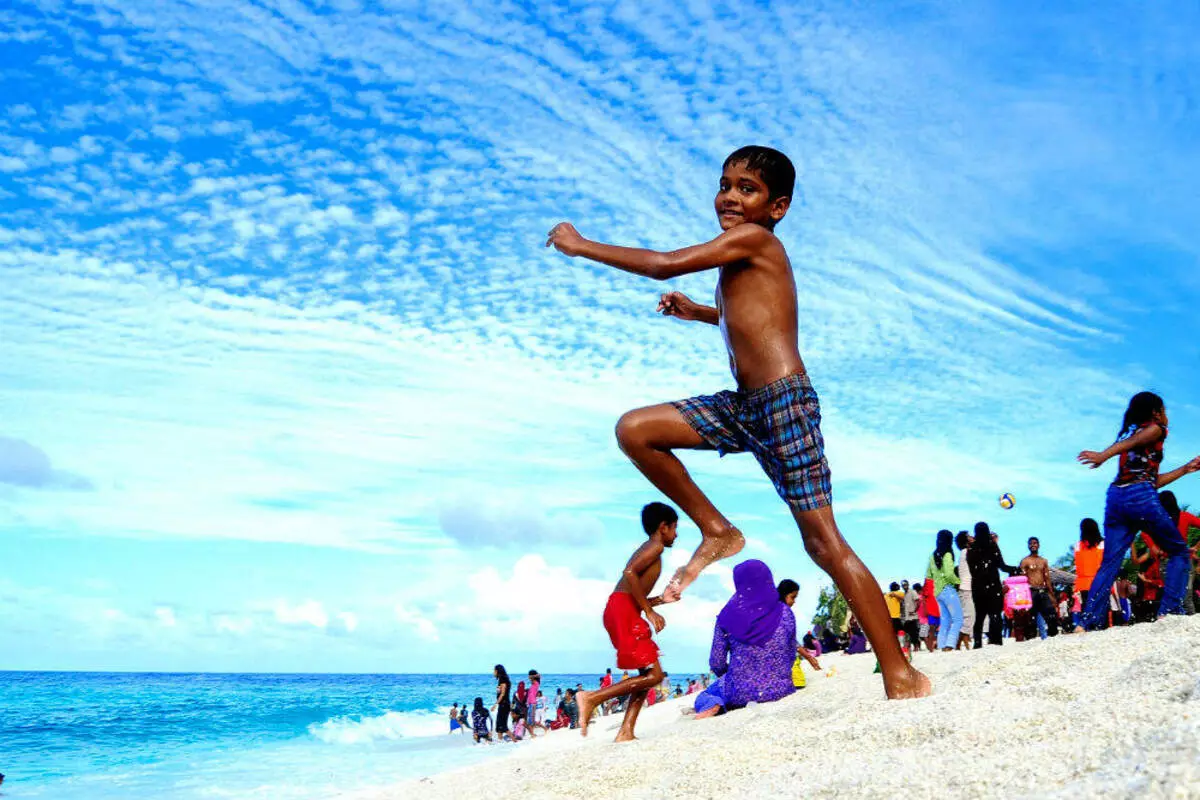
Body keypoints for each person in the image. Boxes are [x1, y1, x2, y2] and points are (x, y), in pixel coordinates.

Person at [546, 146, 929, 700]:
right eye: (725, 184)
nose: (729, 195)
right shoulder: (737, 256)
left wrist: (581, 246)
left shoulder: (757, 239)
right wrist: (699, 313)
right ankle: (716, 529)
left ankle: (900, 673)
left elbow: (663, 262)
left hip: (783, 405)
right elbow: (750, 318)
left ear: (778, 207)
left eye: (746, 188)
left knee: (822, 542)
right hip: (742, 407)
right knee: (635, 429)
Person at [1077, 392, 1200, 628]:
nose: (1166, 416)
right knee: (1179, 552)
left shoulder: (1137, 436)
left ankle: (1087, 622)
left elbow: (1152, 480)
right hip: (1139, 497)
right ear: (1155, 412)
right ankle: (1169, 610)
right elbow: (1142, 479)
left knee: (1109, 564)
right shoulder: (1155, 429)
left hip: (1116, 498)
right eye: (1164, 410)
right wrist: (1103, 455)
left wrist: (1185, 469)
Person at [574, 502, 676, 742]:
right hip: (623, 611)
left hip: (621, 609)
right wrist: (650, 613)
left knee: (646, 673)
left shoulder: (650, 547)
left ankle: (626, 731)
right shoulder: (656, 546)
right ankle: (592, 698)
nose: (676, 534)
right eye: (674, 528)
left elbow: (632, 595)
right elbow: (629, 573)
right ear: (663, 527)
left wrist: (661, 599)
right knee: (654, 676)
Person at [709, 560, 798, 708]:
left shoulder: (727, 616)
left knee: (707, 694)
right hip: (782, 690)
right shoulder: (786, 612)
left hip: (740, 694)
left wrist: (738, 675)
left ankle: (714, 706)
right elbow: (790, 654)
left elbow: (716, 663)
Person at [968, 522, 1019, 647]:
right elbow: (1002, 566)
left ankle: (978, 643)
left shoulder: (972, 549)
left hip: (978, 587)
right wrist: (1014, 569)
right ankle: (996, 641)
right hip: (993, 585)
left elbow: (972, 570)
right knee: (995, 614)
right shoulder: (992, 546)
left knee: (979, 616)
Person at [1159, 491, 1200, 615]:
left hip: (1168, 561)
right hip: (1183, 560)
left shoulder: (1159, 520)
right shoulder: (1184, 516)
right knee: (1186, 596)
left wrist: (1156, 549)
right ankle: (1190, 627)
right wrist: (1196, 547)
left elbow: (1146, 533)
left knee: (1172, 597)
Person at [926, 530, 962, 651]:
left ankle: (942, 645)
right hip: (948, 589)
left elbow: (929, 575)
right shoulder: (947, 554)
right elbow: (949, 574)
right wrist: (959, 581)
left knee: (945, 620)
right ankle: (950, 645)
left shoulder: (932, 555)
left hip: (938, 592)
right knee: (958, 619)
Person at [1020, 537, 1059, 639]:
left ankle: (1053, 637)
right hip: (1031, 591)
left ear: (1038, 545)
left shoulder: (1043, 561)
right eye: (1031, 543)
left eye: (1035, 543)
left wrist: (1052, 595)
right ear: (1028, 546)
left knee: (1051, 614)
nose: (1033, 545)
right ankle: (1030, 639)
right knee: (1030, 618)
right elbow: (1022, 579)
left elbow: (1047, 578)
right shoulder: (1025, 561)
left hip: (1043, 591)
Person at [1073, 518, 1104, 627]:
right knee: (1101, 611)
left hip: (1084, 584)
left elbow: (1078, 565)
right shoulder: (1102, 544)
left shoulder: (1078, 546)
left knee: (1087, 611)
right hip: (1100, 582)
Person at [954, 531, 976, 649]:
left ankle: (961, 640)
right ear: (967, 541)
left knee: (969, 615)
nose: (973, 537)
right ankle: (960, 640)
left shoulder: (965, 552)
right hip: (966, 588)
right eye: (970, 537)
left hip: (967, 588)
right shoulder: (967, 552)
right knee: (969, 615)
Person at [920, 576, 940, 652]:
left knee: (937, 629)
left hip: (938, 610)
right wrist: (925, 610)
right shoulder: (928, 582)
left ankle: (935, 645)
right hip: (931, 610)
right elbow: (924, 598)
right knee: (932, 629)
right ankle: (931, 648)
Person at [900, 579, 921, 651]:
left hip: (913, 617)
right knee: (906, 632)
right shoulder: (904, 594)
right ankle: (909, 646)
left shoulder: (912, 592)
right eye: (903, 585)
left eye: (905, 584)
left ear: (908, 584)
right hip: (907, 617)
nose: (904, 586)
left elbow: (918, 602)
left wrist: (914, 611)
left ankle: (916, 647)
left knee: (913, 632)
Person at [492, 665, 511, 738]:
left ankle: (514, 740)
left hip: (504, 704)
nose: (493, 672)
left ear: (497, 671)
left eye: (494, 671)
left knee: (502, 726)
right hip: (503, 704)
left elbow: (503, 694)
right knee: (499, 726)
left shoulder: (503, 679)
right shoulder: (502, 679)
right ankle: (500, 742)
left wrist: (495, 704)